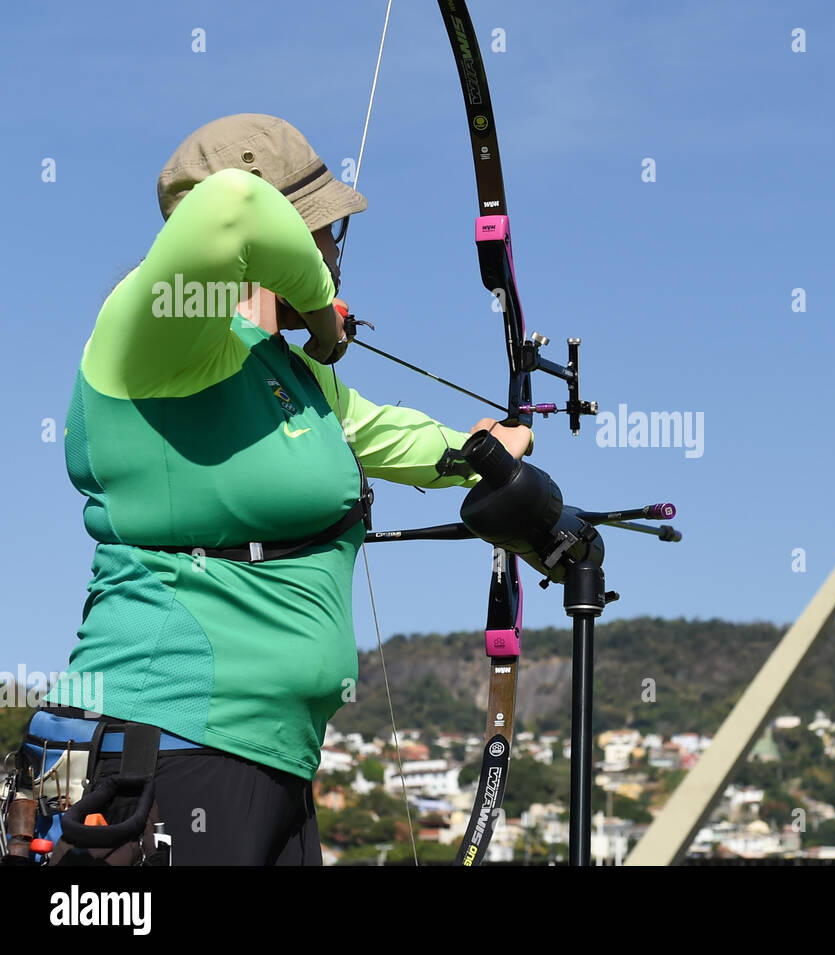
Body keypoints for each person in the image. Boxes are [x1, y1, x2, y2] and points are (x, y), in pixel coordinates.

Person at [24, 113, 531, 864]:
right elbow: (234, 204)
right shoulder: (149, 333)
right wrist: (322, 313)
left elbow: (380, 430)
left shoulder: (286, 370)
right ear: (278, 242)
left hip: (271, 764)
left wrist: (481, 451)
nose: (333, 253)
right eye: (322, 233)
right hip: (160, 750)